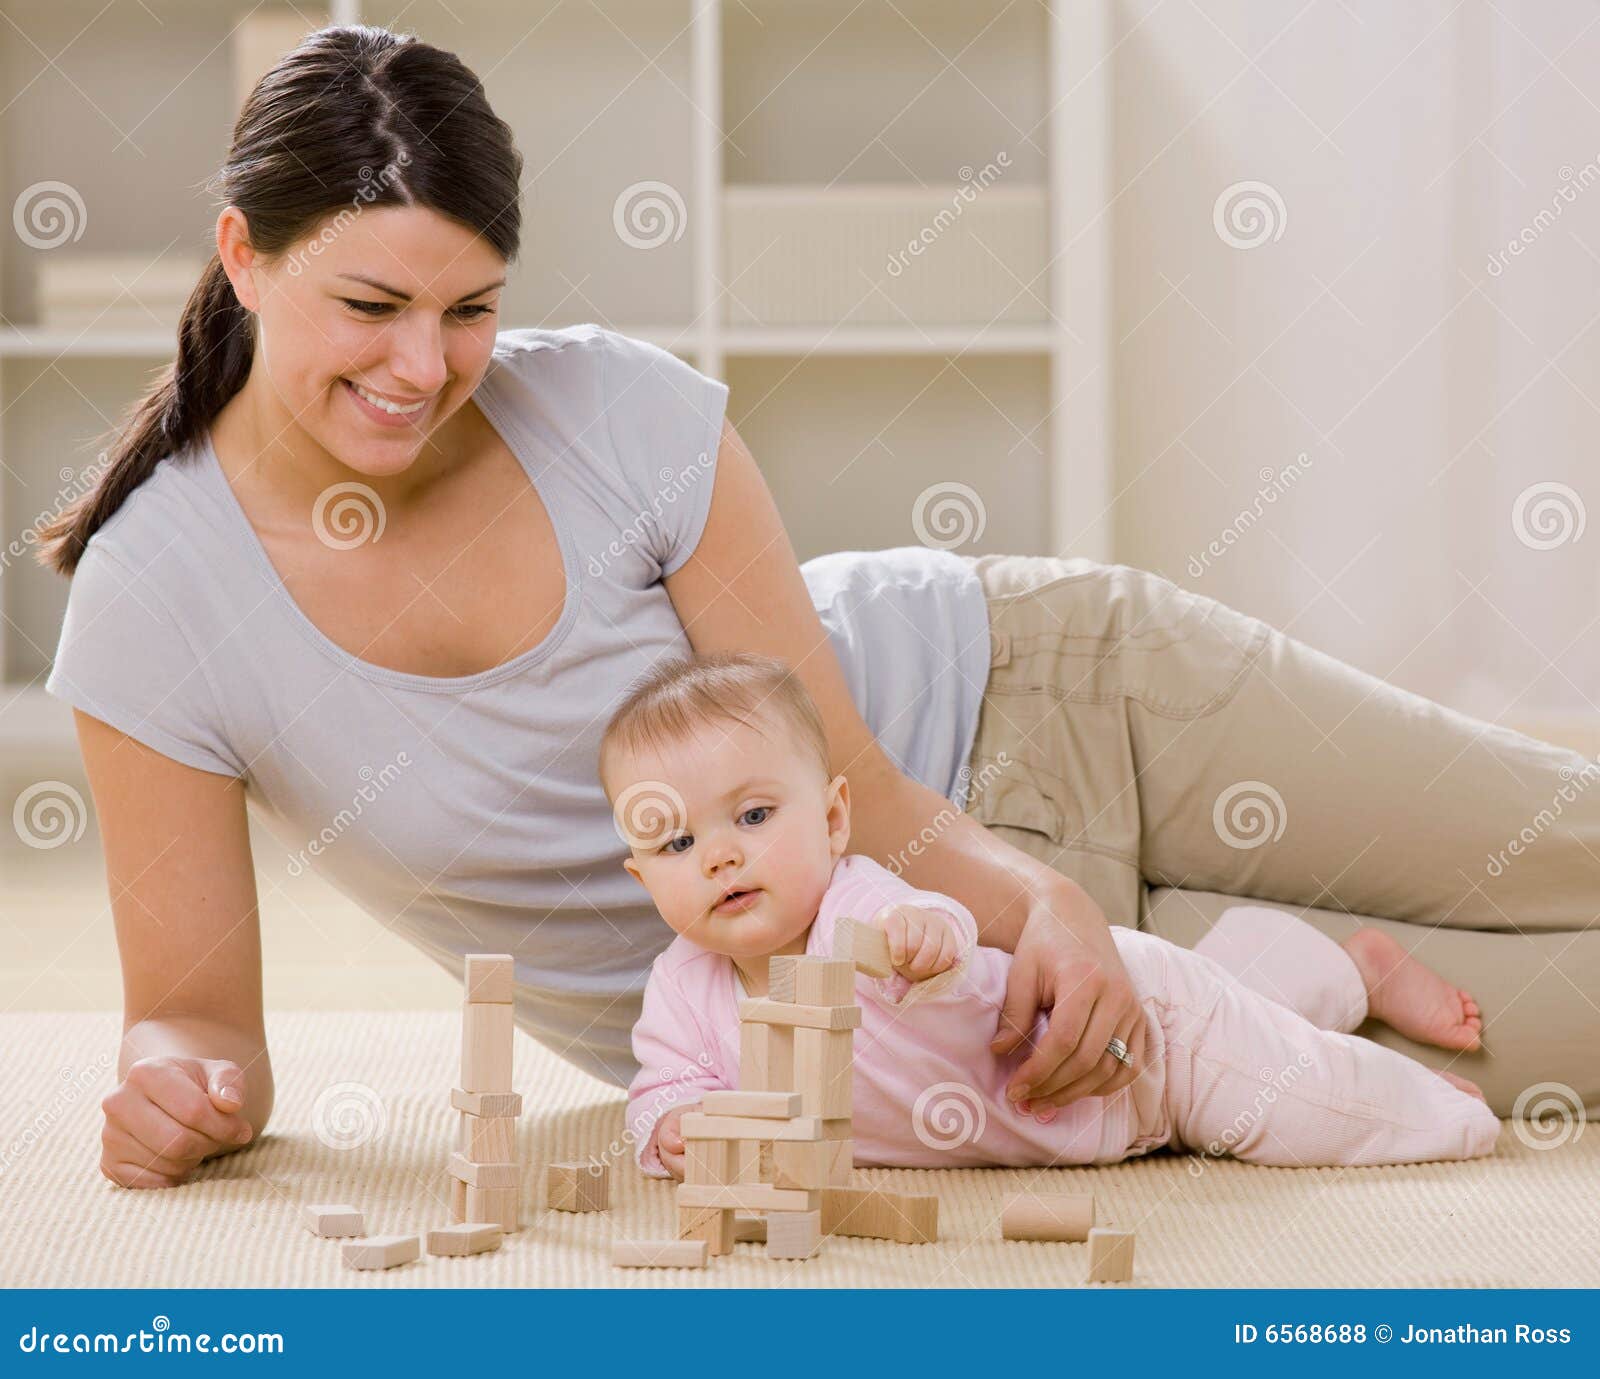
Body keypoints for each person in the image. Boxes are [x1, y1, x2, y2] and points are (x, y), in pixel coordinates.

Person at [35, 26, 1598, 1193]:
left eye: (470, 311)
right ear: (241, 255)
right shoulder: (158, 603)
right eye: (369, 306)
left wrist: (1047, 896)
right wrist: (176, 1090)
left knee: (1565, 836)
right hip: (927, 1023)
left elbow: (861, 771)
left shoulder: (619, 412)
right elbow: (190, 1020)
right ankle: (1315, 952)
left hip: (1047, 705)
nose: (422, 368)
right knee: (1559, 1034)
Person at [604, 652, 1500, 1176]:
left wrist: (927, 940)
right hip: (1088, 1115)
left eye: (755, 816)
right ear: (646, 881)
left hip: (1144, 1048)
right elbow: (664, 1091)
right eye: (677, 843)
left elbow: (940, 932)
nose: (719, 855)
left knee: (1308, 1104)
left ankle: (1431, 1108)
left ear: (834, 820)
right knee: (1251, 1006)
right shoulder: (682, 991)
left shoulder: (860, 909)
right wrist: (672, 1129)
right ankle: (1354, 967)